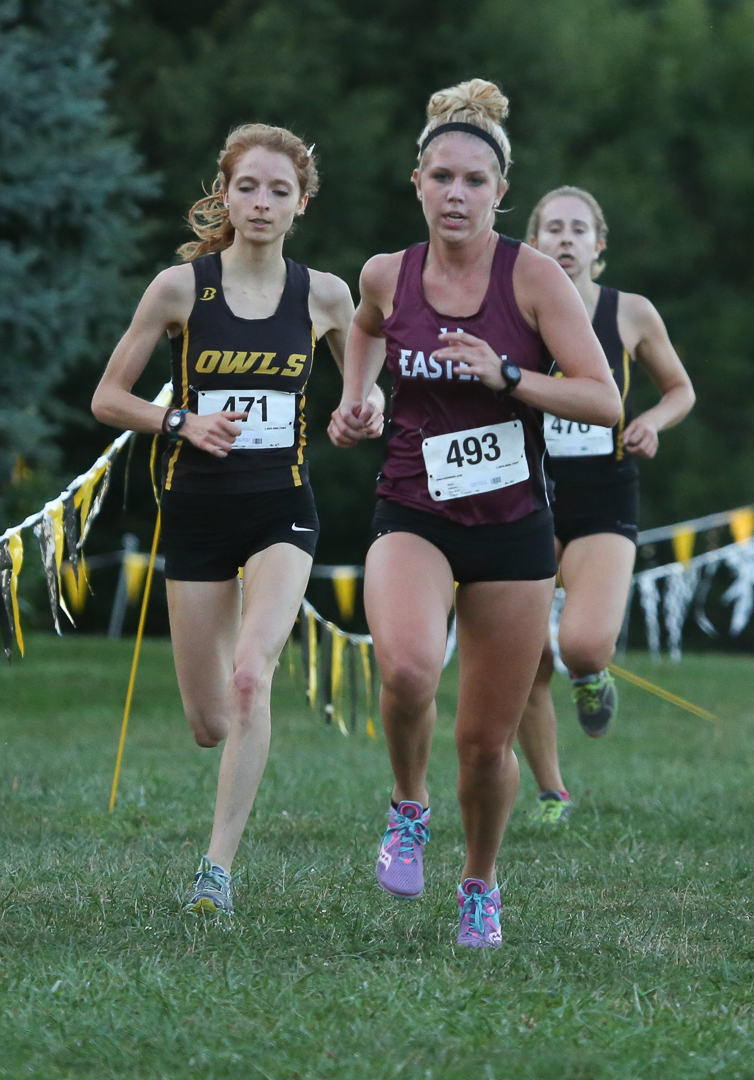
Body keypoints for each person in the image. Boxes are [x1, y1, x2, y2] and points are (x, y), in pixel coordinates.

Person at [328, 80, 621, 947]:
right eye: (442, 177)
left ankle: (479, 884)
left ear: (502, 193)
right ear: (416, 181)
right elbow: (369, 327)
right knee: (410, 670)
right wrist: (359, 400)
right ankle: (408, 809)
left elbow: (601, 398)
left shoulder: (532, 278)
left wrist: (507, 378)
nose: (457, 194)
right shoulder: (387, 273)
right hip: (412, 508)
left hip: (513, 527)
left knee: (486, 744)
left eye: (476, 181)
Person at [90, 125, 359, 915]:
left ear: (302, 203)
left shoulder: (326, 295)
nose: (264, 203)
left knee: (253, 677)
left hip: (284, 507)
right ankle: (222, 782)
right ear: (226, 193)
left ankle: (216, 874)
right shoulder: (181, 290)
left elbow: (369, 389)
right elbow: (109, 399)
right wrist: (178, 424)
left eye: (281, 190)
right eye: (249, 187)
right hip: (199, 514)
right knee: (211, 722)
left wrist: (365, 411)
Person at [511, 185, 695, 824]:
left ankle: (593, 677)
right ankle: (551, 791)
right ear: (531, 242)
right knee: (525, 660)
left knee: (584, 646)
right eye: (552, 228)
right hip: (523, 493)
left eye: (578, 229)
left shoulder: (629, 313)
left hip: (602, 496)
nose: (565, 238)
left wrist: (652, 422)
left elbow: (680, 389)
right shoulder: (514, 310)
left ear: (599, 245)